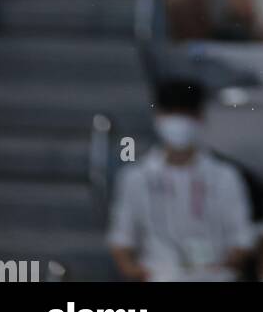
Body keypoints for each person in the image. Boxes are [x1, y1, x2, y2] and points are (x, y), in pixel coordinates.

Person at [108, 80, 252, 283]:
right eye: (172, 113)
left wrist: (223, 266)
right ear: (158, 118)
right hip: (158, 274)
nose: (180, 123)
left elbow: (242, 238)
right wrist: (136, 272)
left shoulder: (225, 176)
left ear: (201, 118)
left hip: (213, 275)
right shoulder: (136, 176)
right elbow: (121, 238)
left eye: (186, 115)